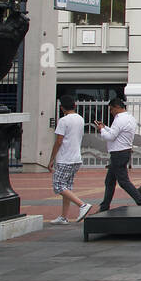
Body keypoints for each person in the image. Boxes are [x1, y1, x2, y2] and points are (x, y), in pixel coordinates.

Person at [95, 98, 141, 211]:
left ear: (116, 107)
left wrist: (101, 130)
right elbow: (117, 133)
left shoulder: (119, 119)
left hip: (118, 153)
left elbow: (111, 137)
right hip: (124, 152)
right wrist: (105, 128)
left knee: (123, 181)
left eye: (111, 109)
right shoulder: (130, 118)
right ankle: (104, 206)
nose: (111, 112)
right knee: (110, 181)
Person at [47, 95, 92, 224]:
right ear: (75, 105)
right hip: (76, 158)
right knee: (66, 187)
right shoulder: (80, 119)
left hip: (65, 158)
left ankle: (82, 205)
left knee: (58, 186)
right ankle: (63, 216)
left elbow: (59, 141)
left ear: (62, 108)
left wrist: (51, 159)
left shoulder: (63, 121)